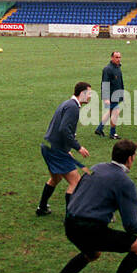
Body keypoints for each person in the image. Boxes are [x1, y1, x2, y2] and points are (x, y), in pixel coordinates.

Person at [41, 138, 137, 273]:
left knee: (92, 253)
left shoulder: (97, 167)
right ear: (130, 159)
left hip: (70, 223)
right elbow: (131, 226)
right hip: (90, 229)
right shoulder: (125, 183)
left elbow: (83, 193)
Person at [36, 82, 93, 216]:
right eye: (89, 93)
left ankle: (42, 207)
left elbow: (58, 127)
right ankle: (70, 217)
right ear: (83, 94)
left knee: (56, 179)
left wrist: (66, 149)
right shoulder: (73, 108)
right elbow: (64, 129)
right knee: (75, 181)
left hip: (49, 146)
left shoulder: (67, 104)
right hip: (55, 150)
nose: (90, 96)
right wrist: (78, 147)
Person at [96, 50, 124, 140]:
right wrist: (106, 98)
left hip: (116, 94)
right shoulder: (108, 69)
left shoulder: (118, 67)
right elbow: (105, 83)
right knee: (116, 112)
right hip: (111, 96)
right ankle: (113, 133)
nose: (118, 59)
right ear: (112, 58)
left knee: (110, 112)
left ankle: (99, 129)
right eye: (116, 57)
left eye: (119, 57)